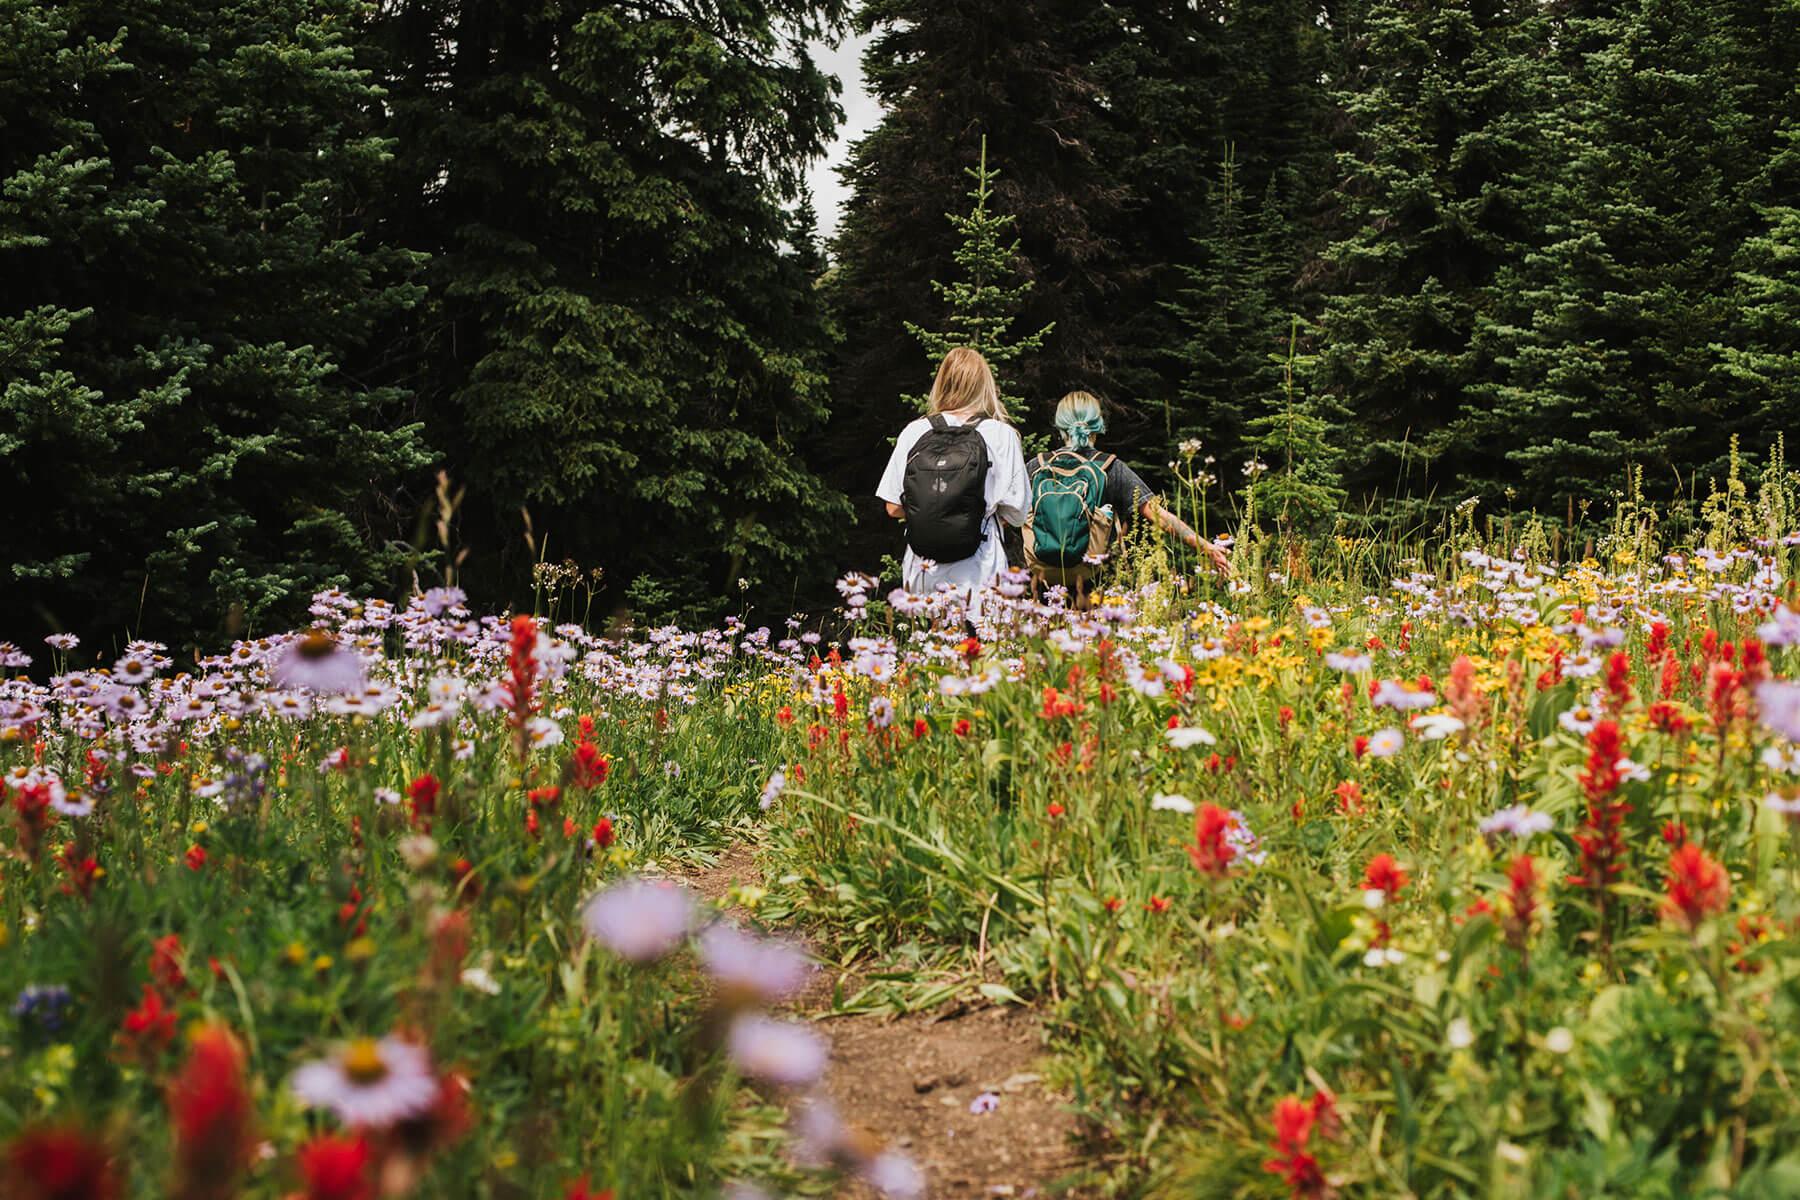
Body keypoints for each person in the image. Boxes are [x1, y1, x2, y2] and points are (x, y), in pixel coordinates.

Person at [1023, 391, 1230, 597]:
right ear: (1097, 425)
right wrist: (1206, 547)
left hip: (1045, 585)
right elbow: (1158, 515)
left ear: (1060, 425)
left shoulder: (1037, 466)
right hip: (1097, 586)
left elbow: (1008, 514)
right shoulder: (1110, 467)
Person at [876, 348, 1028, 596]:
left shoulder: (914, 432)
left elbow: (893, 507)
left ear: (942, 382)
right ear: (984, 385)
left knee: (926, 634)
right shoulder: (1002, 435)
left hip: (922, 569)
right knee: (976, 635)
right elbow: (1018, 514)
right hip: (980, 569)